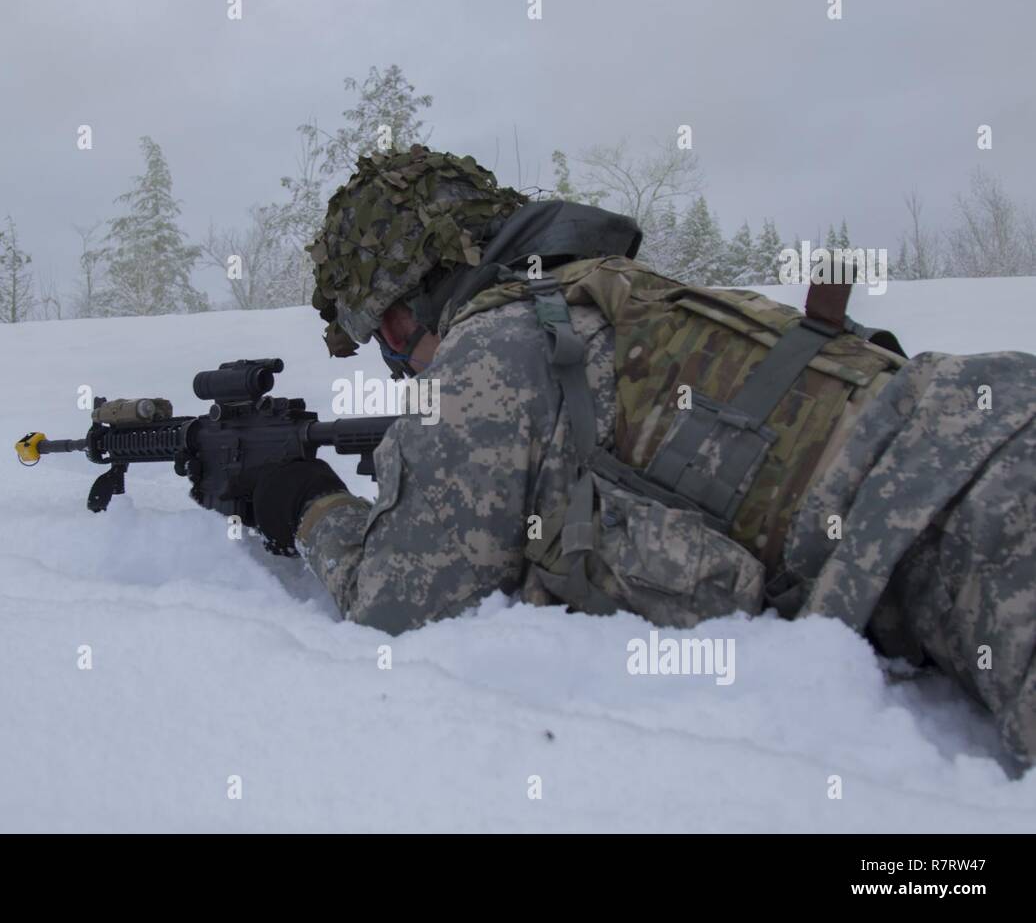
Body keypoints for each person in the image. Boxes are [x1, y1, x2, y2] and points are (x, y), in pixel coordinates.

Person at [242, 145, 1036, 769]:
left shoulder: (492, 350)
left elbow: (397, 608)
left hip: (972, 508)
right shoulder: (613, 299)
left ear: (399, 317)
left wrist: (304, 503)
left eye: (388, 343)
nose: (404, 368)